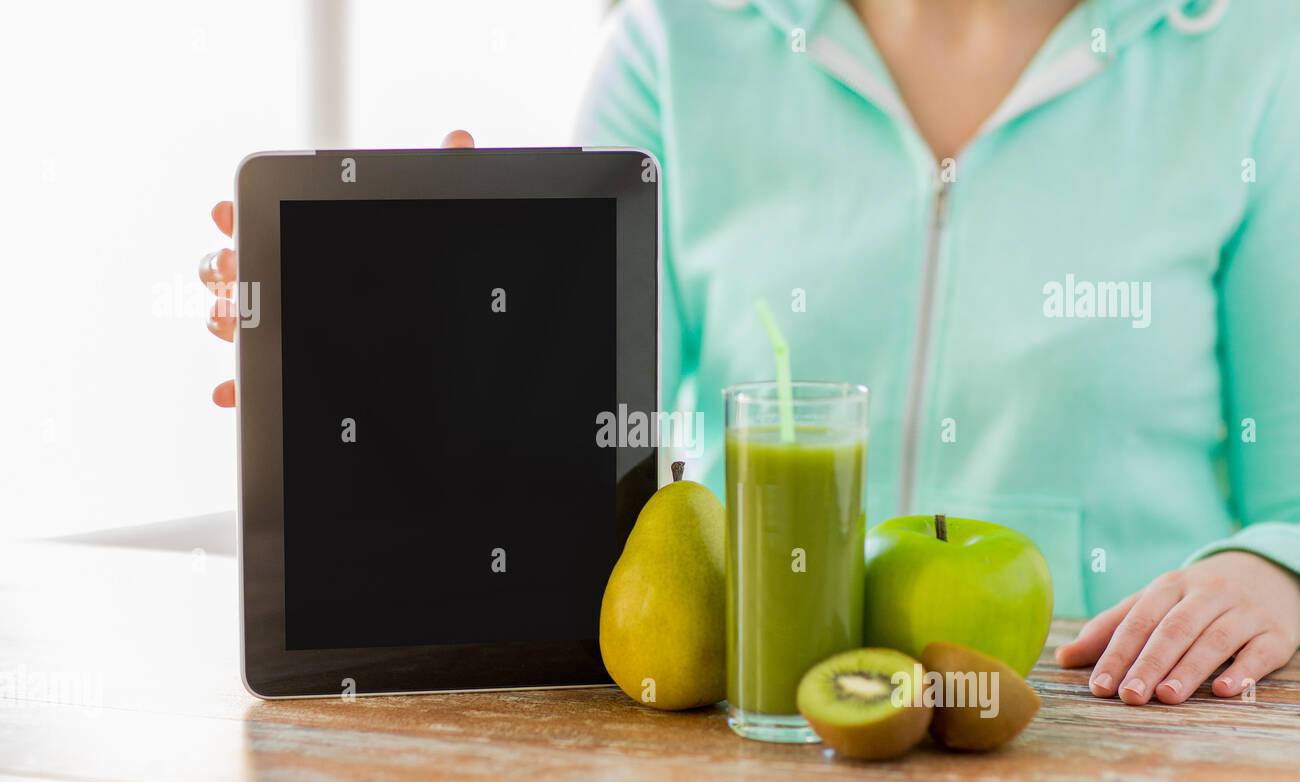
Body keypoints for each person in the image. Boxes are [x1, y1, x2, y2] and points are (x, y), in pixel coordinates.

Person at [199, 0, 1300, 705]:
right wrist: (405, 347)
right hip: (753, 737)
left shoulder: (1249, 53)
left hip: (1119, 729)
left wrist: (1274, 570)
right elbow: (565, 458)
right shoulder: (673, 47)